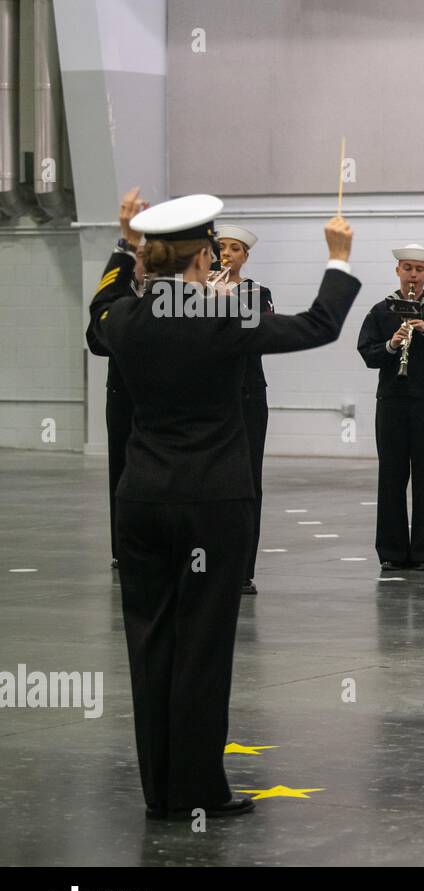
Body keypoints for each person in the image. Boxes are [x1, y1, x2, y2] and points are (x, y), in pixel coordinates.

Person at [89, 189, 360, 820]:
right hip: (213, 501)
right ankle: (200, 790)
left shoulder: (124, 320)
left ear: (148, 260)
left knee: (150, 645)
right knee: (204, 648)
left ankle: (160, 792)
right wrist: (338, 257)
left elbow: (102, 305)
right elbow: (318, 325)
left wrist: (125, 240)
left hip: (141, 499)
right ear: (203, 255)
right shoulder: (227, 314)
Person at [356, 243, 424, 571]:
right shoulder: (381, 311)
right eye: (407, 268)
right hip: (391, 403)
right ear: (398, 271)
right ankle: (390, 551)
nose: (413, 275)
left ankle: (422, 554)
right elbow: (367, 353)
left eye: (419, 270)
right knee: (390, 476)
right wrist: (392, 343)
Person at [85, 190, 147, 570]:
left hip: (159, 396)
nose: (140, 263)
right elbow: (96, 341)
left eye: (145, 256)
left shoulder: (165, 297)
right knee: (120, 470)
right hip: (123, 395)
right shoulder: (121, 298)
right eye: (136, 256)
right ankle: (122, 547)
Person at [215, 224, 275, 594]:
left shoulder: (257, 293)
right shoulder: (196, 290)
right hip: (213, 395)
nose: (227, 254)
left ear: (245, 256)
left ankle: (243, 570)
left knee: (249, 480)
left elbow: (259, 332)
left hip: (248, 393)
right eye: (222, 248)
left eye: (235, 249)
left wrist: (226, 301)